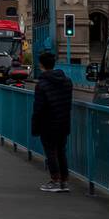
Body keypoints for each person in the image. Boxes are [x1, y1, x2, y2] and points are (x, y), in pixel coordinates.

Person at [31, 50, 74, 192]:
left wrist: (35, 126)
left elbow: (38, 108)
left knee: (50, 151)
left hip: (48, 123)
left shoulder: (42, 84)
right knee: (61, 150)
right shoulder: (67, 81)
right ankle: (64, 181)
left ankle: (55, 180)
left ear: (41, 65)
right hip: (63, 122)